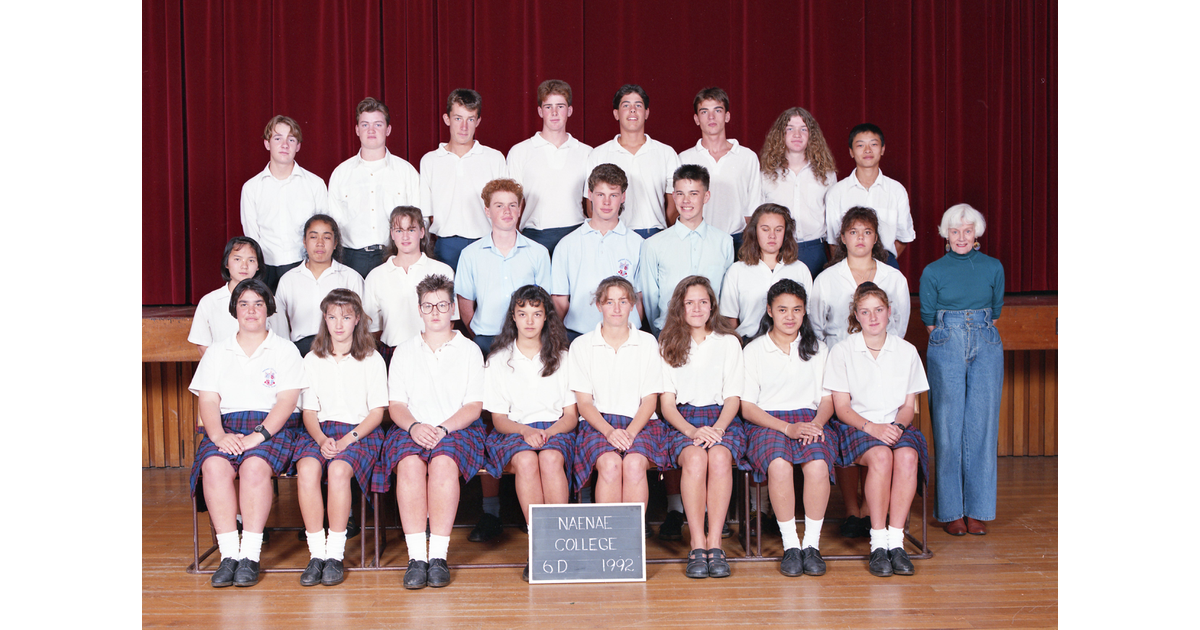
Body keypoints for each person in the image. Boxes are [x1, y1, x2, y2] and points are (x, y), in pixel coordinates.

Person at [188, 278, 307, 588]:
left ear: (268, 309)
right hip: (225, 427)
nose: (251, 310)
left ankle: (250, 556)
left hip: (271, 428)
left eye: (258, 304)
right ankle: (230, 555)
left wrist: (259, 435)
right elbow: (209, 399)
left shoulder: (284, 349)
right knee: (214, 466)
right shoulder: (217, 351)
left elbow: (286, 401)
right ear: (234, 310)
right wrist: (217, 437)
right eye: (243, 304)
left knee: (255, 467)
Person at [372, 274, 487, 589]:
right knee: (409, 466)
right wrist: (413, 426)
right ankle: (416, 558)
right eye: (428, 306)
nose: (435, 312)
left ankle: (437, 556)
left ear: (452, 308)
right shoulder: (404, 351)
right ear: (419, 310)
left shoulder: (469, 351)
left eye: (441, 305)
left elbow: (474, 406)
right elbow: (396, 405)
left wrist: (442, 428)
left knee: (443, 465)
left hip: (457, 428)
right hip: (411, 426)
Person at [808, 206, 910, 538]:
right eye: (853, 232)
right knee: (847, 434)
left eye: (866, 232)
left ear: (876, 237)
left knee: (879, 437)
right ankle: (853, 509)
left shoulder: (893, 278)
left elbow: (901, 325)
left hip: (880, 362)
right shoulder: (826, 278)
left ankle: (871, 510)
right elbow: (816, 324)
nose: (860, 239)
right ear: (842, 238)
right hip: (839, 361)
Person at [824, 282, 930, 578]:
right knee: (882, 457)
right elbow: (841, 408)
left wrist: (895, 427)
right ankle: (878, 543)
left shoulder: (906, 351)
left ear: (889, 312)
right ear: (856, 315)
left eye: (879, 310)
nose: (873, 317)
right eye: (865, 311)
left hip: (895, 424)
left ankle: (896, 544)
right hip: (857, 425)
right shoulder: (843, 351)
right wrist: (873, 427)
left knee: (908, 457)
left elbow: (909, 407)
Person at [740, 279, 837, 578]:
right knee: (779, 465)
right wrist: (787, 428)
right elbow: (747, 406)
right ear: (769, 311)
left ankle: (811, 545)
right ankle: (791, 545)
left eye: (796, 309)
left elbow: (827, 398)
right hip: (769, 421)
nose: (790, 316)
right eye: (782, 309)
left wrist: (817, 424)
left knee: (818, 463)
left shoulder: (817, 348)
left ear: (805, 312)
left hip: (810, 418)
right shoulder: (755, 350)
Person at [919, 204, 1004, 536]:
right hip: (945, 341)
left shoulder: (993, 267)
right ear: (945, 234)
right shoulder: (933, 271)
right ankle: (952, 511)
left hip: (985, 340)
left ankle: (978, 510)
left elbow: (995, 311)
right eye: (955, 231)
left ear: (977, 234)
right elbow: (928, 319)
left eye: (967, 231)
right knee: (947, 425)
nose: (961, 237)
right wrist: (953, 334)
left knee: (982, 426)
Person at [482, 285, 578, 582]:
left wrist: (548, 432)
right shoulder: (499, 359)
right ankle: (539, 546)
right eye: (522, 314)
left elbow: (571, 416)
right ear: (513, 316)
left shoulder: (562, 357)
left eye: (537, 314)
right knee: (525, 461)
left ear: (546, 318)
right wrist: (525, 431)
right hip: (514, 431)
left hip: (555, 429)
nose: (529, 321)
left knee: (549, 459)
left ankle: (559, 545)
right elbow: (498, 419)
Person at [293, 289, 385, 587]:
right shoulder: (312, 358)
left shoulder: (371, 359)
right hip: (321, 429)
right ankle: (316, 553)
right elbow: (309, 412)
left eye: (346, 317)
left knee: (338, 469)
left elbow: (377, 411)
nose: (339, 324)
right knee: (307, 469)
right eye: (332, 317)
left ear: (357, 319)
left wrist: (347, 440)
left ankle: (335, 553)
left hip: (360, 431)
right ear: (325, 319)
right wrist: (320, 439)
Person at [658, 276, 744, 578]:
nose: (696, 308)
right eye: (689, 302)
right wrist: (692, 432)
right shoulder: (668, 342)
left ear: (712, 306)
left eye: (703, 302)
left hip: (722, 418)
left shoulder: (729, 342)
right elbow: (667, 404)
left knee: (719, 458)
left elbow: (734, 396)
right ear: (680, 308)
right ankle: (696, 543)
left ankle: (715, 543)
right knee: (694, 459)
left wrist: (718, 429)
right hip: (682, 421)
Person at [569, 276, 668, 536]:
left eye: (623, 301)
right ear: (598, 305)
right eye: (609, 301)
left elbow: (649, 401)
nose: (616, 308)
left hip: (640, 422)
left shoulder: (647, 342)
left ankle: (631, 541)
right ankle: (609, 538)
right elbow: (584, 403)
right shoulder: (581, 345)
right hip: (598, 424)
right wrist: (610, 432)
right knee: (611, 465)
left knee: (635, 464)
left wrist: (630, 433)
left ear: (633, 304)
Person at [327, 97, 421, 279]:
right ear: (357, 130)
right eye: (365, 125)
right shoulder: (341, 173)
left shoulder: (406, 172)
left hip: (395, 254)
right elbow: (334, 221)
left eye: (378, 124)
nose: (371, 130)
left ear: (388, 129)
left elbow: (420, 217)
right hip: (351, 258)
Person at [456, 178, 552, 356]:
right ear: (487, 211)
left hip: (526, 339)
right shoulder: (470, 254)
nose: (507, 211)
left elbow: (544, 303)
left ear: (520, 209)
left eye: (512, 205)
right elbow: (465, 303)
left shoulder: (539, 253)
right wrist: (477, 335)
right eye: (499, 206)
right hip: (485, 338)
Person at [551, 164, 645, 340]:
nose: (607, 202)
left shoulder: (638, 244)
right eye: (601, 194)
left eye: (613, 195)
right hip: (578, 335)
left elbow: (639, 298)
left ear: (623, 197)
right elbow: (559, 300)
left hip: (626, 335)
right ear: (590, 195)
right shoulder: (567, 245)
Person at [639, 164, 734, 335]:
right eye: (680, 194)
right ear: (673, 196)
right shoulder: (653, 245)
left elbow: (725, 296)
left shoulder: (724, 242)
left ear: (706, 196)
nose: (686, 201)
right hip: (668, 333)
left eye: (693, 194)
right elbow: (650, 299)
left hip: (711, 333)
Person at [420, 88, 507, 272]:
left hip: (485, 242)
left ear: (478, 121)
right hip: (445, 246)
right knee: (447, 299)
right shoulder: (430, 160)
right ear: (447, 119)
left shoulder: (494, 158)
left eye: (470, 119)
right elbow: (425, 215)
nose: (464, 127)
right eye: (458, 118)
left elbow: (503, 206)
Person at [239, 115, 329, 292]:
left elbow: (322, 230)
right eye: (278, 138)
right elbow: (252, 234)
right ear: (267, 143)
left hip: (303, 265)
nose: (285, 144)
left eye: (291, 139)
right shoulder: (251, 187)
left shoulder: (315, 184)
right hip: (266, 268)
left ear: (298, 146)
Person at [506, 80, 592, 256]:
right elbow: (512, 201)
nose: (554, 113)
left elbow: (592, 203)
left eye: (560, 106)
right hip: (534, 235)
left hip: (575, 232)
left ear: (569, 111)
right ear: (540, 111)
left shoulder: (586, 152)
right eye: (548, 107)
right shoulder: (520, 152)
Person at [362, 206, 456, 366]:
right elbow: (373, 329)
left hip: (434, 351)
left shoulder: (443, 271)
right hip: (392, 351)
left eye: (411, 230)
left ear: (421, 232)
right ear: (392, 234)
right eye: (399, 230)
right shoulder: (376, 276)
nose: (405, 236)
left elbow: (451, 320)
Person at [583, 84, 680, 239]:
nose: (632, 110)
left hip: (655, 234)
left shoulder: (666, 153)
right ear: (616, 114)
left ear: (647, 113)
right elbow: (591, 205)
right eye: (626, 105)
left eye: (638, 105)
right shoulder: (599, 154)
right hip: (614, 235)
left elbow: (674, 205)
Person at [678, 87, 763, 252]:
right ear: (696, 119)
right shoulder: (684, 158)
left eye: (717, 110)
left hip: (737, 240)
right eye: (704, 112)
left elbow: (753, 209)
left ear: (727, 116)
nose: (711, 117)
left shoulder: (747, 157)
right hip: (697, 239)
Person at [758, 107, 838, 280]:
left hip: (814, 251)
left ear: (812, 135)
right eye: (790, 128)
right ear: (781, 134)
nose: (797, 134)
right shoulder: (765, 175)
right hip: (777, 251)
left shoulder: (827, 174)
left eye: (803, 129)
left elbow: (833, 219)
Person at [823, 123, 915, 269]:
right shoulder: (837, 192)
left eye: (873, 144)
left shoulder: (896, 190)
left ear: (882, 149)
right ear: (851, 152)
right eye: (860, 145)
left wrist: (881, 263)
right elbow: (833, 242)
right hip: (848, 264)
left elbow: (904, 237)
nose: (867, 150)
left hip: (885, 263)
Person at [719, 203, 814, 341]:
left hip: (791, 345)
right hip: (748, 342)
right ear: (755, 231)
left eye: (778, 229)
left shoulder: (800, 269)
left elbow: (807, 314)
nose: (772, 236)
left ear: (786, 232)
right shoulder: (737, 271)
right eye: (765, 229)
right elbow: (730, 320)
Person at [275, 214, 365, 357]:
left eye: (327, 237)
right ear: (304, 241)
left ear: (335, 243)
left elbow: (361, 322)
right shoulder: (288, 280)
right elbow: (279, 325)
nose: (320, 243)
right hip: (299, 351)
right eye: (313, 237)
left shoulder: (351, 278)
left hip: (341, 350)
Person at [188, 236, 286, 357]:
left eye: (251, 260)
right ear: (227, 264)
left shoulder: (271, 301)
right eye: (237, 259)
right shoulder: (209, 302)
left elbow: (282, 340)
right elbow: (203, 346)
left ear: (258, 266)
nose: (244, 266)